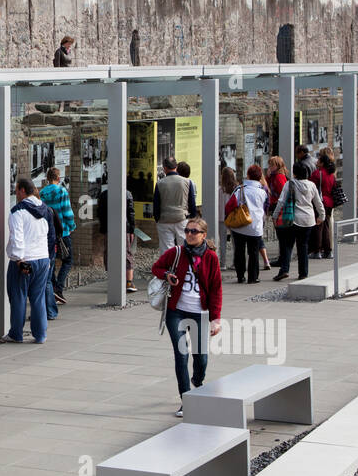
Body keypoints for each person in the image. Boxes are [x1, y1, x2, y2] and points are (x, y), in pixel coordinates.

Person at [150, 216, 223, 418]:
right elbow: (155, 267)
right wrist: (166, 275)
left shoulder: (211, 257)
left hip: (199, 312)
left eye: (194, 231)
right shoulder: (176, 252)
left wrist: (215, 318)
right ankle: (186, 399)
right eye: (187, 231)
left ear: (203, 235)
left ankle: (197, 383)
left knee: (201, 357)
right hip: (176, 312)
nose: (189, 234)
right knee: (181, 355)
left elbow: (216, 288)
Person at [5, 178, 54, 344]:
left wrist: (18, 259)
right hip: (42, 258)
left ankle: (16, 334)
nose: (16, 193)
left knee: (18, 297)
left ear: (23, 191)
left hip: (25, 260)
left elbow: (17, 237)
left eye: (17, 190)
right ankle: (40, 335)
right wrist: (48, 259)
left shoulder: (17, 211)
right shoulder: (46, 210)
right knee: (38, 298)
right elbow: (50, 236)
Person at [272, 161, 325, 280]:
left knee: (287, 245)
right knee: (303, 246)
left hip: (293, 219)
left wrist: (275, 216)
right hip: (308, 220)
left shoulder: (290, 184)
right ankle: (303, 273)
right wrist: (321, 216)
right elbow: (318, 202)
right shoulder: (311, 185)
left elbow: (281, 201)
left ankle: (284, 270)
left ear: (294, 173)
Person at [38, 166, 75, 309]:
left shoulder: (42, 193)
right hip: (63, 231)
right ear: (58, 178)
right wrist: (71, 226)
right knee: (68, 260)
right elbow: (67, 212)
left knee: (51, 261)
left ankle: (52, 287)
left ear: (47, 178)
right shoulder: (62, 191)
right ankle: (58, 288)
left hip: (48, 232)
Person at [227, 165, 269, 283]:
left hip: (240, 226)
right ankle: (253, 277)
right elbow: (266, 207)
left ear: (248, 175)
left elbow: (230, 205)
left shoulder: (240, 190)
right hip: (255, 226)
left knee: (239, 251)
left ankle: (240, 276)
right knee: (254, 252)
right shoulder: (263, 191)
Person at [97, 185, 137, 293]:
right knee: (127, 253)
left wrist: (103, 228)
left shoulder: (104, 195)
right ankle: (129, 282)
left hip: (108, 229)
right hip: (124, 228)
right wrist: (132, 230)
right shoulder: (127, 193)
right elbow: (131, 213)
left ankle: (112, 282)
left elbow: (100, 213)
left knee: (109, 254)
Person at [152, 157, 193, 251]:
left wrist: (157, 218)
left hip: (164, 220)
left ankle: (170, 265)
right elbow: (191, 202)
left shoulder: (160, 183)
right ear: (176, 166)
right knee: (184, 247)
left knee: (167, 249)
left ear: (164, 168)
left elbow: (156, 204)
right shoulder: (187, 182)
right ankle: (183, 265)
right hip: (182, 218)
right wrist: (191, 217)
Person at [309, 148, 337, 259]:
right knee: (326, 226)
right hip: (329, 202)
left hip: (320, 202)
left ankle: (317, 250)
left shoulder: (317, 174)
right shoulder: (331, 175)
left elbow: (310, 188)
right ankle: (328, 250)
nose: (316, 162)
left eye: (319, 161)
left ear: (322, 163)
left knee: (318, 226)